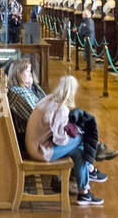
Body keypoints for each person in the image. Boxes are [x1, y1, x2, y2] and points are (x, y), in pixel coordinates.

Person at [4, 57, 118, 165]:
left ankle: (90, 161)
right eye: (28, 71)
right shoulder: (17, 92)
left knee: (78, 122)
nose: (31, 75)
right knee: (77, 132)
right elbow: (39, 116)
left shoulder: (28, 89)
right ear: (18, 74)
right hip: (36, 139)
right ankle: (93, 157)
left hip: (42, 133)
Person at [26, 74, 103, 206]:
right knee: (81, 138)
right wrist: (74, 132)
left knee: (79, 153)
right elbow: (60, 140)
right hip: (41, 151)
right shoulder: (62, 109)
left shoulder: (48, 99)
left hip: (33, 146)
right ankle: (90, 169)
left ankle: (84, 193)